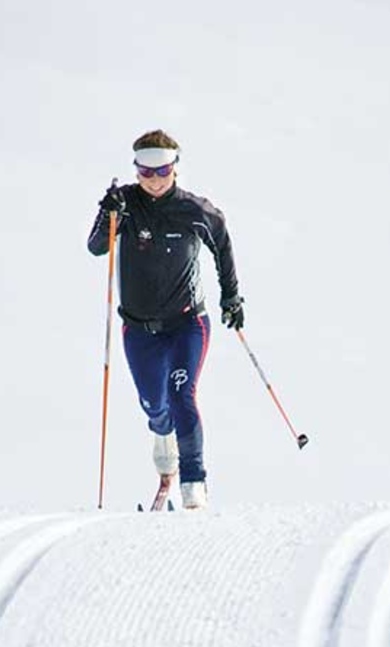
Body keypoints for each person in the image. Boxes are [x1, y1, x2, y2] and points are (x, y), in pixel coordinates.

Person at [87, 129, 242, 510]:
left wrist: (231, 296)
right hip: (138, 329)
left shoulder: (194, 210)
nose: (154, 180)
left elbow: (221, 242)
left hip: (187, 324)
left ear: (175, 168)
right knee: (155, 406)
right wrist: (107, 214)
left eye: (163, 171)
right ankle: (164, 448)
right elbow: (96, 247)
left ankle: (194, 487)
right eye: (145, 172)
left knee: (181, 395)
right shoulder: (123, 203)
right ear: (136, 169)